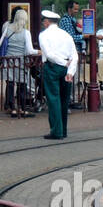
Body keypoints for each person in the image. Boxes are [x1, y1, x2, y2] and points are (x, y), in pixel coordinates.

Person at [37, 10, 78, 140]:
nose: (43, 23)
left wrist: (63, 63)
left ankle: (56, 131)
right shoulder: (66, 35)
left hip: (52, 68)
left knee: (53, 99)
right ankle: (63, 130)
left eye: (44, 21)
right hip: (66, 70)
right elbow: (74, 55)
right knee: (65, 99)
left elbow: (49, 55)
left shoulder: (43, 35)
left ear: (47, 22)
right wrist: (70, 70)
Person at [0, 8, 37, 118]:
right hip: (21, 61)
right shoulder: (26, 33)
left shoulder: (7, 29)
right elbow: (30, 50)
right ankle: (22, 108)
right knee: (22, 85)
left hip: (8, 61)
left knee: (10, 84)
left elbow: (0, 43)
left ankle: (12, 108)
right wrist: (39, 51)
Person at [59, 0, 87, 110]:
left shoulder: (73, 20)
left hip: (76, 52)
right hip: (69, 54)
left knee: (74, 79)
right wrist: (83, 37)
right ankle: (67, 101)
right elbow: (69, 38)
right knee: (69, 78)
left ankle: (71, 100)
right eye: (75, 9)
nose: (77, 11)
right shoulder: (65, 21)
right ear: (69, 9)